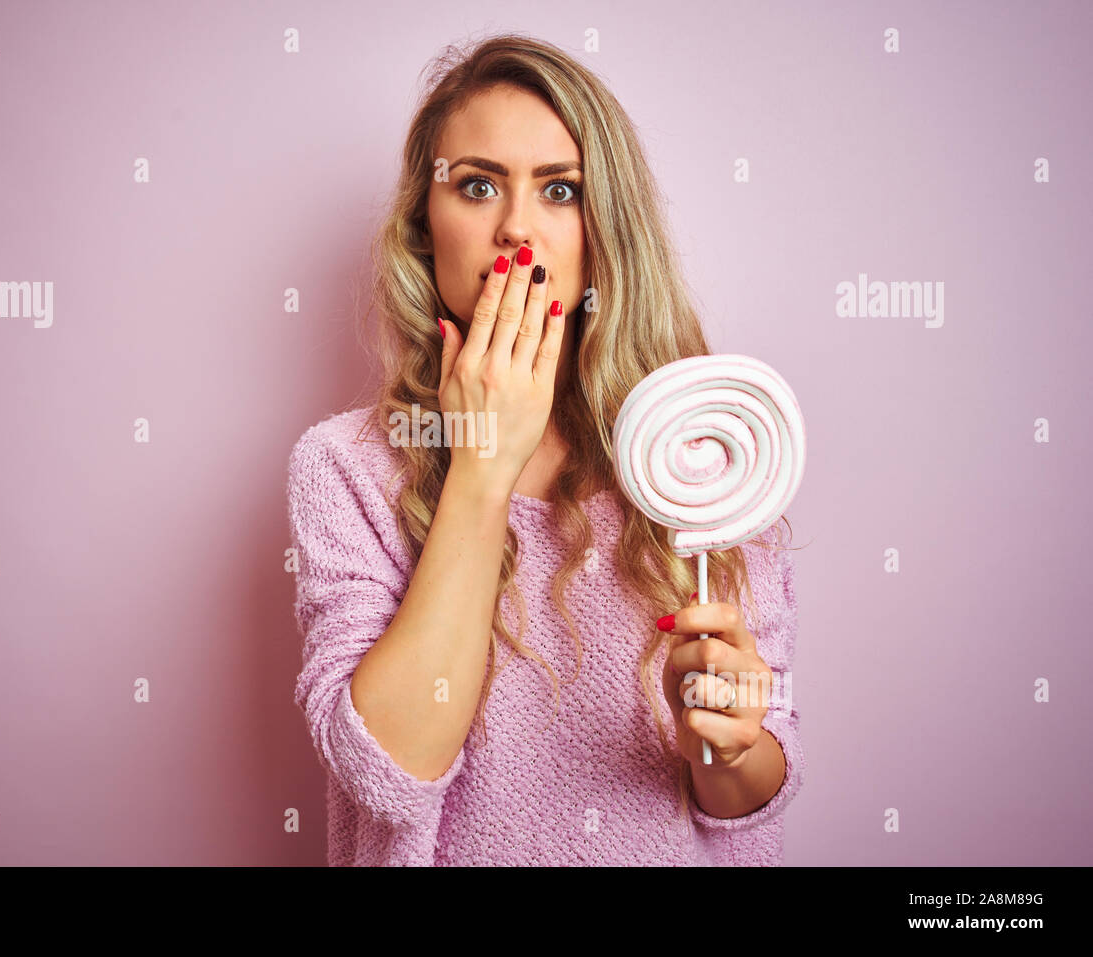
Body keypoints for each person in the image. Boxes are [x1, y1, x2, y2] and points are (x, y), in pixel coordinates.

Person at [286, 33, 804, 866]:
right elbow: (388, 771)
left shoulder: (704, 450)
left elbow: (745, 803)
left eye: (559, 190)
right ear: (426, 221)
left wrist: (733, 741)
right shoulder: (345, 468)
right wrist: (483, 466)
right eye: (478, 185)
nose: (516, 228)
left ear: (606, 231)